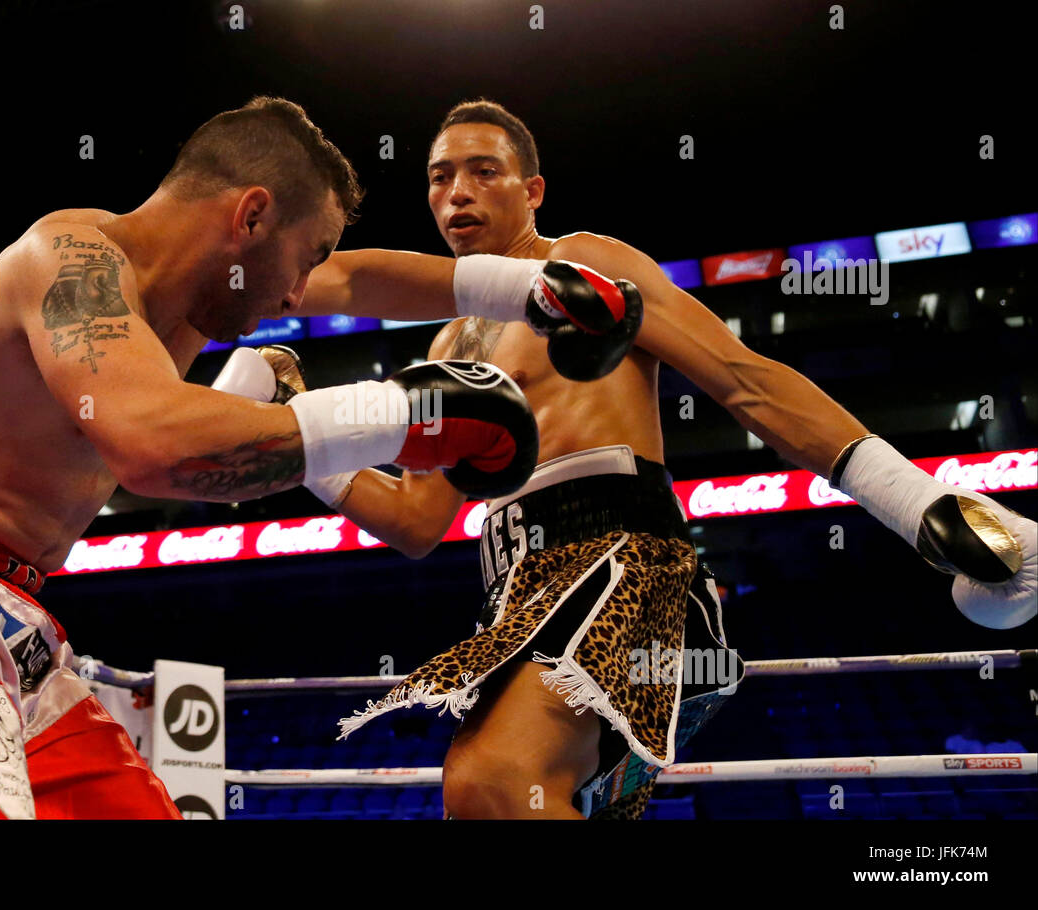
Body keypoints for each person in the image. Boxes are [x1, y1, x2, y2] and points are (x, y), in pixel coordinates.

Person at [0, 97, 626, 819]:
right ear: (249, 215)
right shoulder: (73, 258)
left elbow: (360, 285)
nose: (296, 295)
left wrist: (526, 285)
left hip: (11, 615)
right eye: (302, 258)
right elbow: (156, 449)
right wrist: (403, 414)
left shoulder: (186, 314)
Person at [290, 99, 1037, 819]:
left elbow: (744, 380)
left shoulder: (583, 267)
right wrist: (300, 443)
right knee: (496, 798)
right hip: (516, 597)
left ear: (533, 189)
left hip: (624, 565)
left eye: (484, 171)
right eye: (439, 175)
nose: (457, 192)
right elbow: (418, 519)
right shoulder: (446, 347)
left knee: (490, 781)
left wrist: (915, 500)